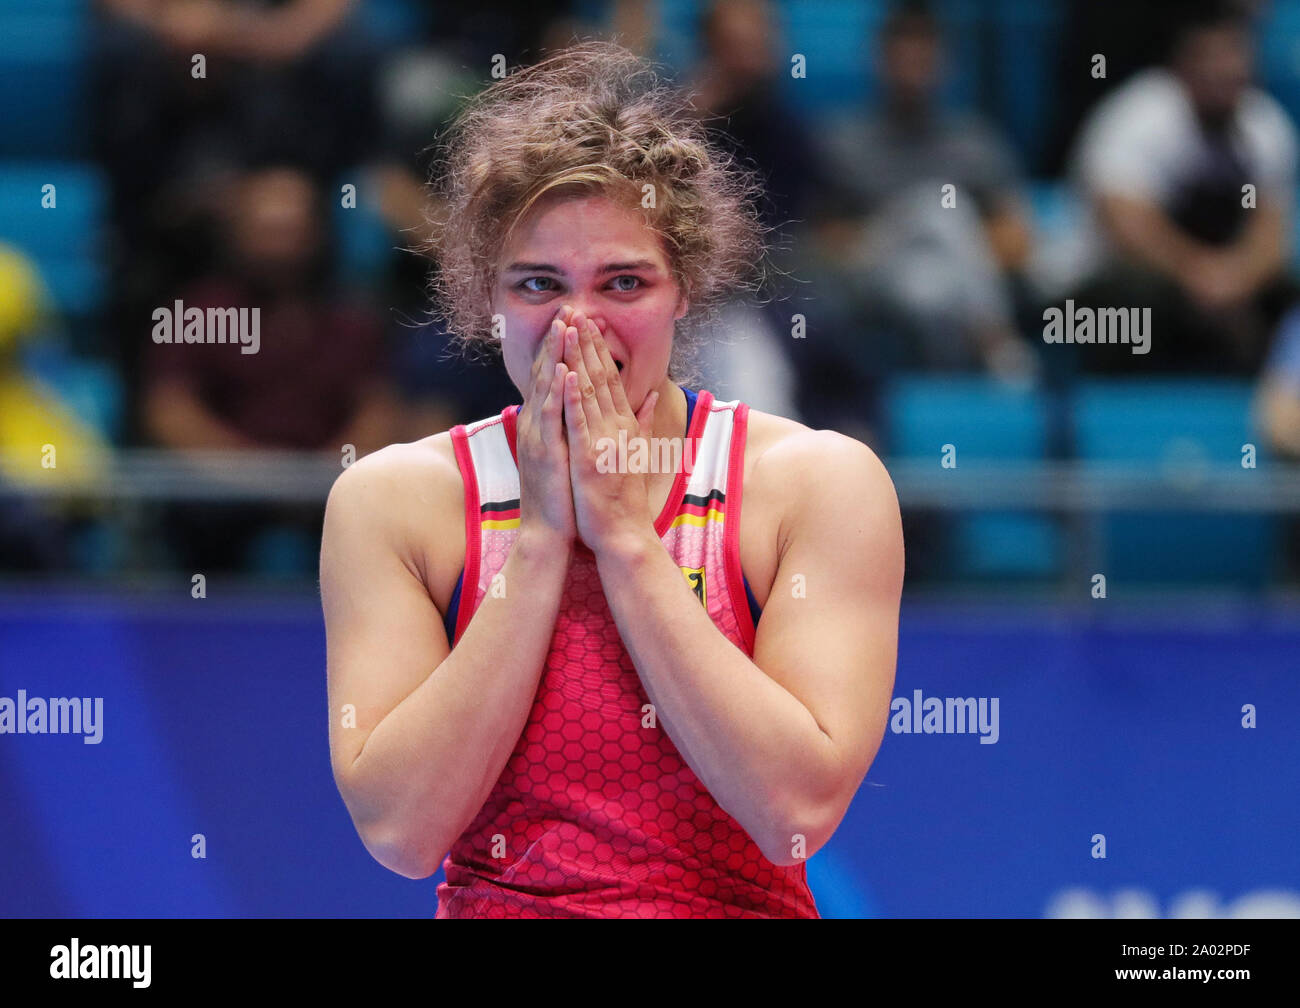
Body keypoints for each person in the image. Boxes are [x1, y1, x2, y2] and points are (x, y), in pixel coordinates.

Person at [321, 42, 904, 918]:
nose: (577, 324)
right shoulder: (396, 501)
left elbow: (796, 811)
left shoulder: (815, 484)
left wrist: (629, 541)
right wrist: (544, 539)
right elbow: (401, 832)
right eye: (539, 284)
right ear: (489, 299)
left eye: (623, 281)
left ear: (686, 292)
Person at [1068, 0, 1299, 374]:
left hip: (1225, 284)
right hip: (1125, 284)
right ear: (1182, 65)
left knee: (1286, 297)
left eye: (1233, 56)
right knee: (1134, 298)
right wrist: (1201, 276)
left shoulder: (1266, 126)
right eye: (1209, 57)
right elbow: (1128, 228)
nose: (1222, 70)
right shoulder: (1136, 118)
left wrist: (1236, 278)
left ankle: (1273, 398)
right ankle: (1120, 404)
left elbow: (1269, 235)